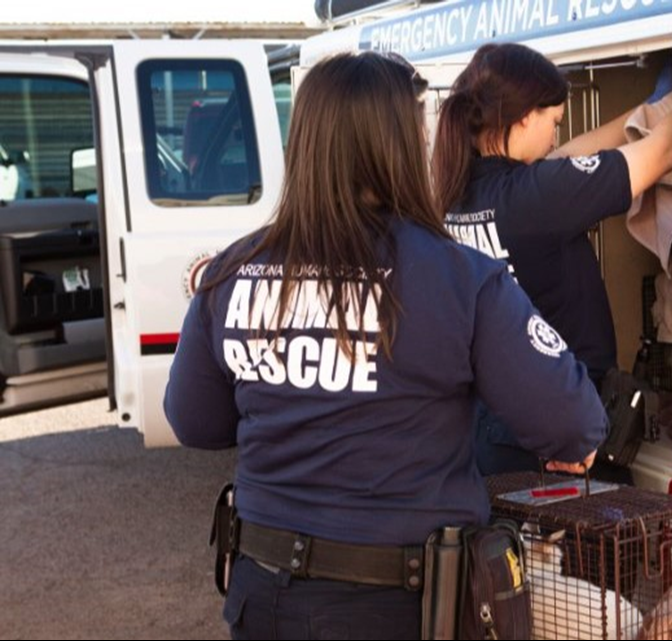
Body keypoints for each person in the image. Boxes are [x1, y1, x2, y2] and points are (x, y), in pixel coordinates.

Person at [164, 51, 606, 641]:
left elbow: (193, 421)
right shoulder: (459, 277)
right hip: (398, 604)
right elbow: (571, 421)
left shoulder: (232, 271)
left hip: (263, 595)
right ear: (400, 146)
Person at [432, 43, 672, 476]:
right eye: (554, 122)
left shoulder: (459, 194)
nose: (555, 137)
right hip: (563, 437)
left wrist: (649, 109)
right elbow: (663, 152)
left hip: (495, 428)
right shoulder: (538, 197)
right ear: (526, 116)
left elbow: (568, 158)